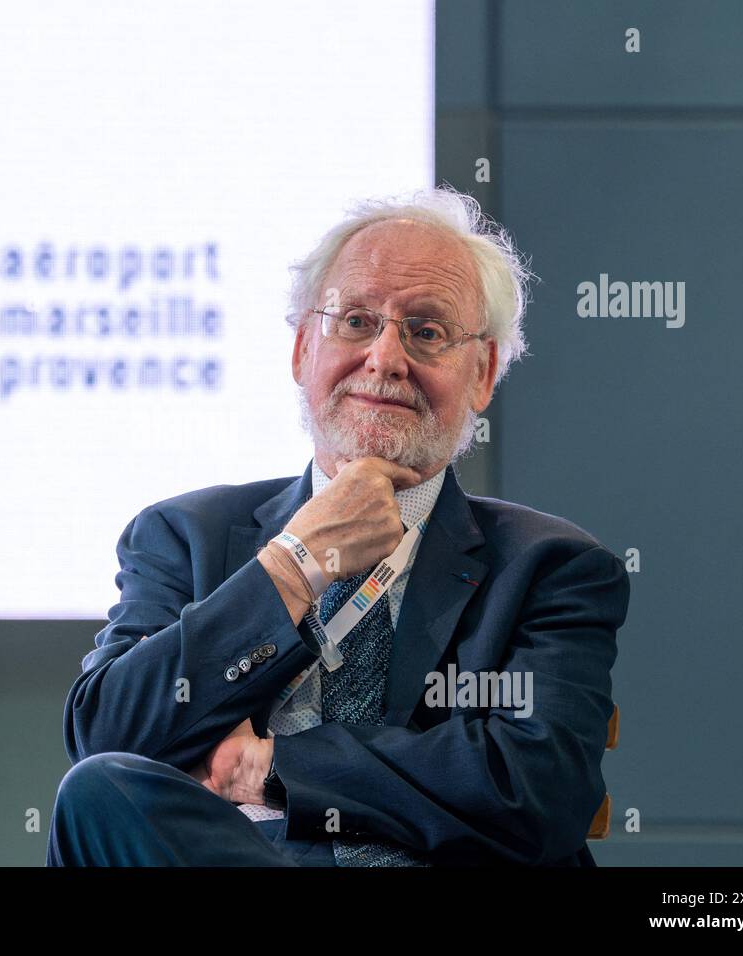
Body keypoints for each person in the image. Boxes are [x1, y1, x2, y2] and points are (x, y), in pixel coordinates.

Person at [46, 186, 631, 867]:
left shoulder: (551, 568)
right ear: (301, 352)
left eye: (428, 331)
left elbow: (535, 792)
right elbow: (110, 737)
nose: (384, 358)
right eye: (355, 321)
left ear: (483, 374)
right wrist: (294, 566)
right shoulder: (184, 536)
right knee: (101, 791)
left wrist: (269, 768)